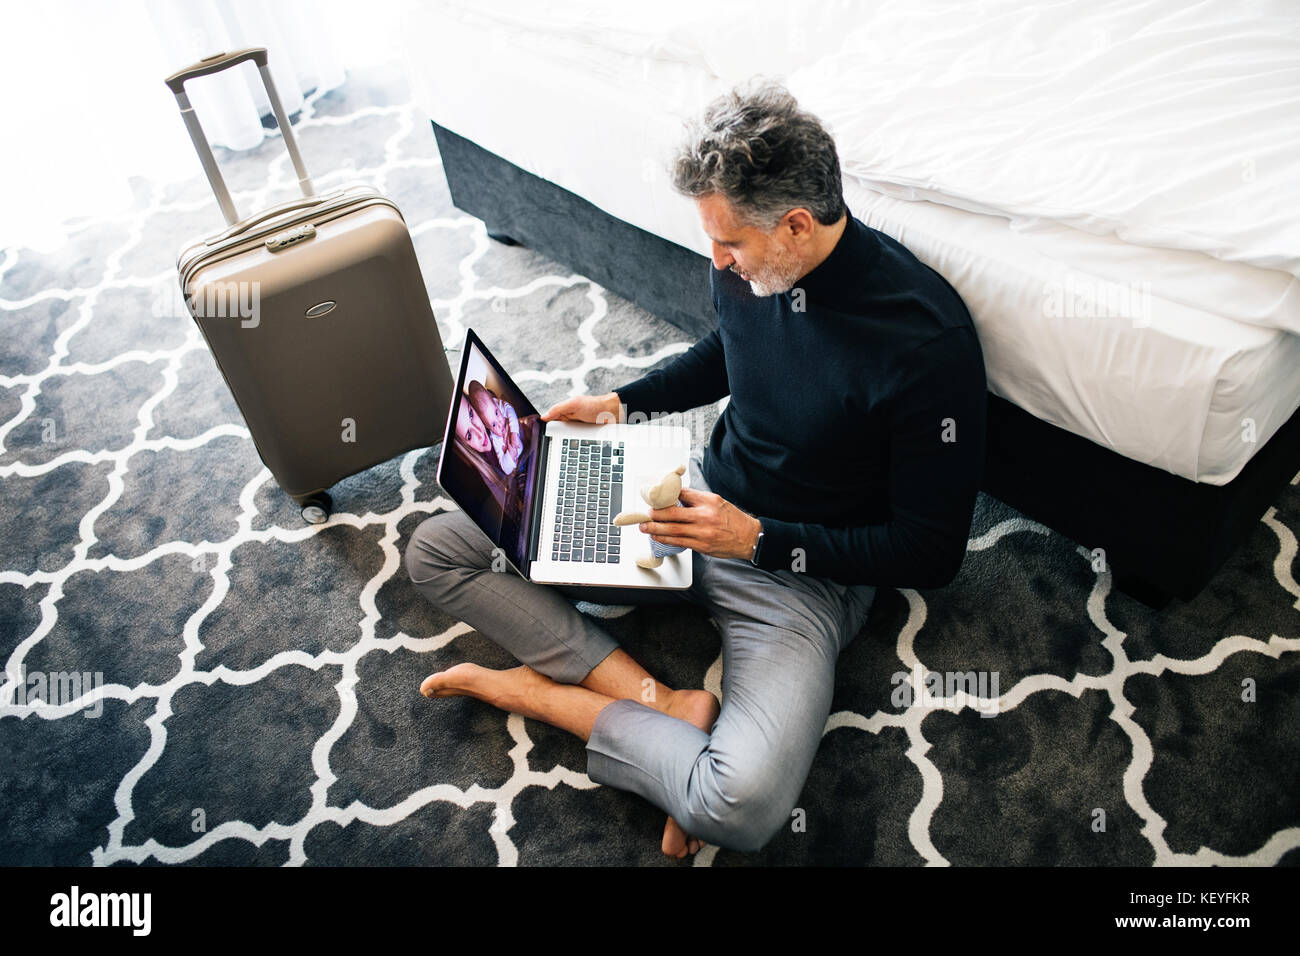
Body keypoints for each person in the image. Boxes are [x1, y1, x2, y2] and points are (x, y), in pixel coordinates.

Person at [404, 79, 987, 857]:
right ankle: (657, 701)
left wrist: (755, 539)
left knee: (739, 805)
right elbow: (730, 353)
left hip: (801, 572)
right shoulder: (750, 264)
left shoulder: (924, 345)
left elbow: (931, 551)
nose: (716, 260)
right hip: (686, 501)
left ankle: (547, 697)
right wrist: (623, 403)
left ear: (797, 225)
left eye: (731, 245)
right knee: (443, 545)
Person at [468, 380, 524, 474]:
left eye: (497, 413)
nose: (499, 423)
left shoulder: (501, 407)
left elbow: (509, 409)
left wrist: (514, 433)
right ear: (487, 427)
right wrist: (510, 453)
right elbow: (506, 469)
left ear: (495, 403)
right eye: (493, 424)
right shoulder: (495, 439)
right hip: (518, 468)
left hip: (525, 450)